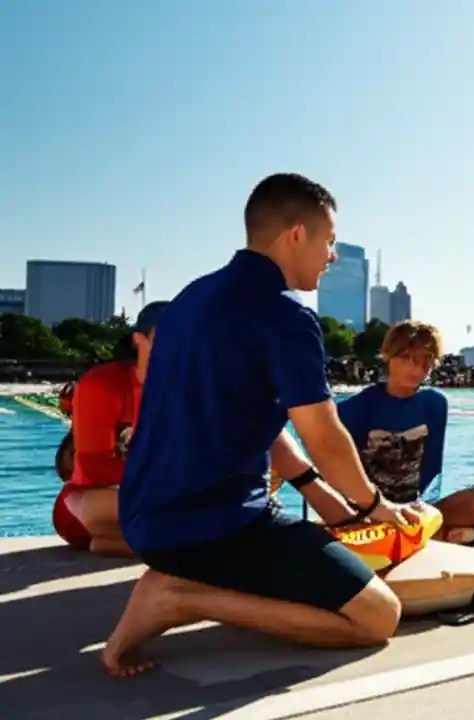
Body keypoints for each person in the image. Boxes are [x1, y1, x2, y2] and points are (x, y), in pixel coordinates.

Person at [105, 173, 420, 677]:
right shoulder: (284, 317)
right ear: (297, 234)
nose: (332, 255)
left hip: (145, 517)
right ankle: (179, 601)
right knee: (377, 616)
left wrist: (317, 491)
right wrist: (373, 504)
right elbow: (323, 433)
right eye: (329, 241)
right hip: (218, 525)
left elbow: (232, 408)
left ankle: (180, 585)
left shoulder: (189, 301)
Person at [338, 319, 474, 542]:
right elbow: (341, 475)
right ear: (388, 356)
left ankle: (425, 535)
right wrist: (374, 510)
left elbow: (432, 469)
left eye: (425, 361)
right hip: (369, 511)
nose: (416, 369)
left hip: (414, 508)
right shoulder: (354, 408)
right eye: (407, 358)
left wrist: (424, 510)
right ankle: (437, 538)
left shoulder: (434, 403)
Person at [52, 302, 168, 556]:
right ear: (139, 340)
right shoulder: (104, 385)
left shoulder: (186, 391)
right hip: (89, 504)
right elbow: (93, 469)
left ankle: (125, 544)